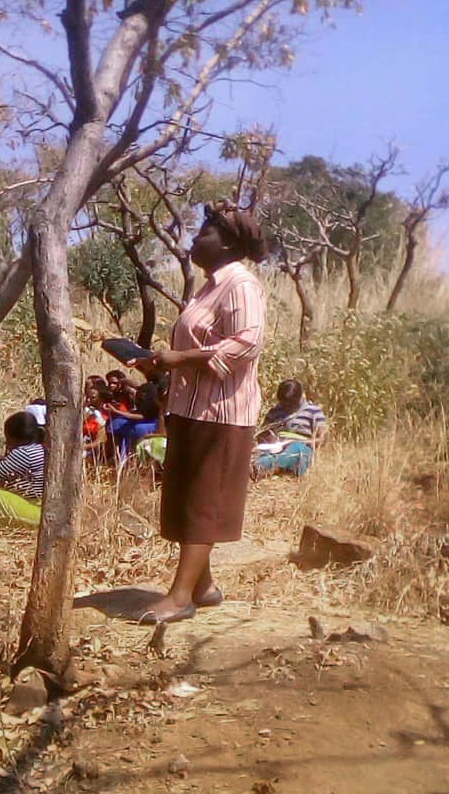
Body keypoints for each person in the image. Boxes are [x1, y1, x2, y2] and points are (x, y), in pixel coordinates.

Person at [132, 204, 267, 624]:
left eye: (204, 231)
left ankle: (180, 597)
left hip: (222, 412)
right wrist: (161, 361)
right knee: (188, 498)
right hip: (192, 407)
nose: (194, 238)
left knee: (204, 500)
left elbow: (248, 342)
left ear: (226, 242)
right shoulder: (209, 288)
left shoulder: (241, 285)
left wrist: (182, 357)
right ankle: (203, 586)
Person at [252, 379, 328, 479]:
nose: (287, 408)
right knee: (261, 453)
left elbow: (322, 439)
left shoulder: (313, 411)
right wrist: (271, 440)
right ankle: (268, 466)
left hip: (300, 447)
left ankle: (266, 466)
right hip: (276, 447)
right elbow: (263, 433)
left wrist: (303, 442)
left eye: (290, 405)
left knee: (295, 450)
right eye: (284, 405)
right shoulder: (275, 411)